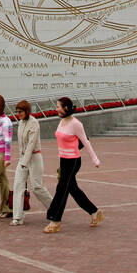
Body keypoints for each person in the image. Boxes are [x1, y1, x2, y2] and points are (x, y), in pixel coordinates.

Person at [44, 97, 102, 234]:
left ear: (66, 108)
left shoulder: (76, 124)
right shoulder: (62, 121)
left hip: (73, 161)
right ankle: (95, 212)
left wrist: (95, 159)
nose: (56, 109)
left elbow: (86, 142)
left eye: (58, 106)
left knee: (61, 189)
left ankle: (55, 220)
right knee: (73, 190)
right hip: (63, 161)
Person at [10, 100, 53, 226]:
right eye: (17, 112)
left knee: (36, 187)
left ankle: (55, 208)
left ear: (26, 111)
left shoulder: (34, 123)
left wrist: (25, 161)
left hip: (35, 157)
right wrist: (21, 160)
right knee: (18, 186)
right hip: (23, 158)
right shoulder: (21, 123)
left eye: (21, 112)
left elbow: (31, 144)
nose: (18, 114)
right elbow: (21, 145)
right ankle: (17, 217)